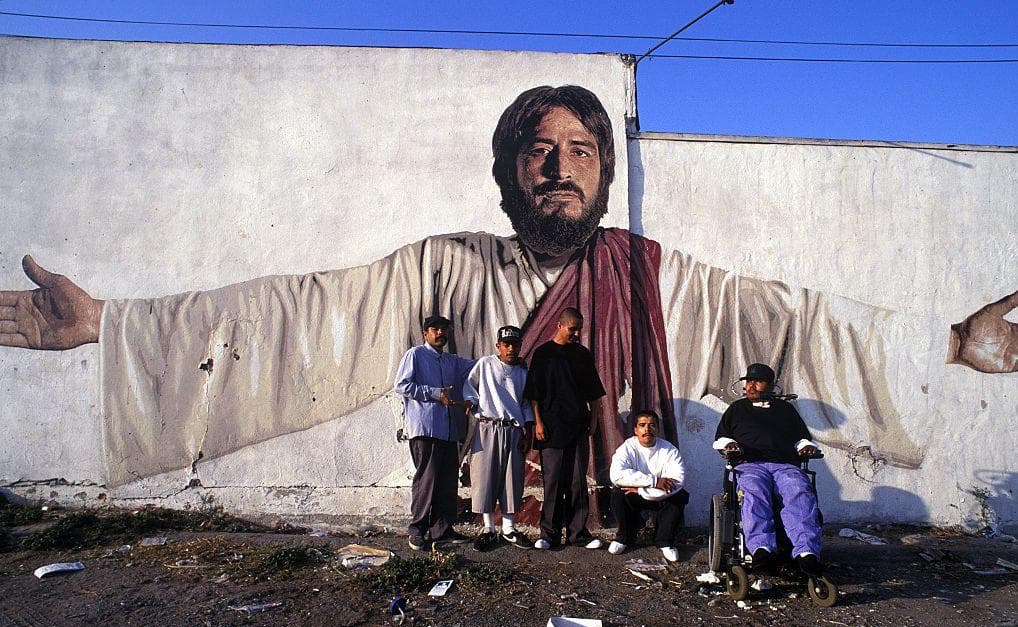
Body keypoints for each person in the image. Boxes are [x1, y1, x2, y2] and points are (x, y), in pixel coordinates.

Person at [1, 84, 1014, 499]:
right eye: (538, 151)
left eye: (581, 151)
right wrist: (113, 327)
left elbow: (786, 326)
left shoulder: (655, 279)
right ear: (506, 176)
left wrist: (953, 339)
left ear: (605, 177)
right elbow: (303, 318)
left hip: (620, 540)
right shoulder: (447, 268)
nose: (560, 167)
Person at [712, 363, 824, 575]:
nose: (751, 386)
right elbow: (720, 438)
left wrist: (806, 446)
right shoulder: (737, 409)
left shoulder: (785, 410)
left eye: (758, 381)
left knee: (799, 489)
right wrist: (728, 444)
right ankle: (762, 549)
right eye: (749, 381)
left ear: (771, 385)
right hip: (749, 465)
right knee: (754, 490)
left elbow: (801, 438)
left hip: (784, 465)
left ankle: (806, 552)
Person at [523, 307, 605, 550]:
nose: (577, 334)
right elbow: (534, 395)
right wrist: (537, 422)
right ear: (559, 326)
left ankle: (578, 533)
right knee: (553, 483)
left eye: (579, 329)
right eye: (572, 329)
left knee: (578, 482)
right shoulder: (543, 354)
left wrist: (593, 421)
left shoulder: (582, 354)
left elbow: (594, 393)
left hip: (578, 426)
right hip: (550, 428)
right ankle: (548, 535)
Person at [393, 315, 474, 551]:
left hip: (449, 430)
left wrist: (507, 360)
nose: (440, 333)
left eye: (443, 329)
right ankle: (417, 530)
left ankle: (442, 530)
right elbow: (402, 385)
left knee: (448, 481)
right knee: (426, 480)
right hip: (426, 428)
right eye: (434, 329)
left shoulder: (452, 361)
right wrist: (434, 393)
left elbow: (478, 366)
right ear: (425, 333)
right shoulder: (416, 355)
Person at [462, 325, 535, 551]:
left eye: (515, 344)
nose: (511, 348)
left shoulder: (523, 373)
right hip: (488, 427)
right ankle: (488, 528)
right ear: (498, 346)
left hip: (513, 429)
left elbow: (524, 403)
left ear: (520, 346)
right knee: (485, 477)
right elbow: (469, 386)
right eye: (506, 344)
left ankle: (509, 528)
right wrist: (472, 405)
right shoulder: (485, 364)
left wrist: (527, 431)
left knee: (511, 479)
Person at [607, 410, 687, 562]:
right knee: (618, 492)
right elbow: (616, 475)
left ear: (657, 429)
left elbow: (678, 480)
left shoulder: (669, 450)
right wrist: (654, 482)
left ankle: (665, 541)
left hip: (661, 496)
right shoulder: (628, 447)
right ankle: (624, 537)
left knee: (680, 495)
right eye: (642, 425)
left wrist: (641, 490)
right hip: (638, 494)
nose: (647, 429)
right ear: (636, 430)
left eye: (652, 425)